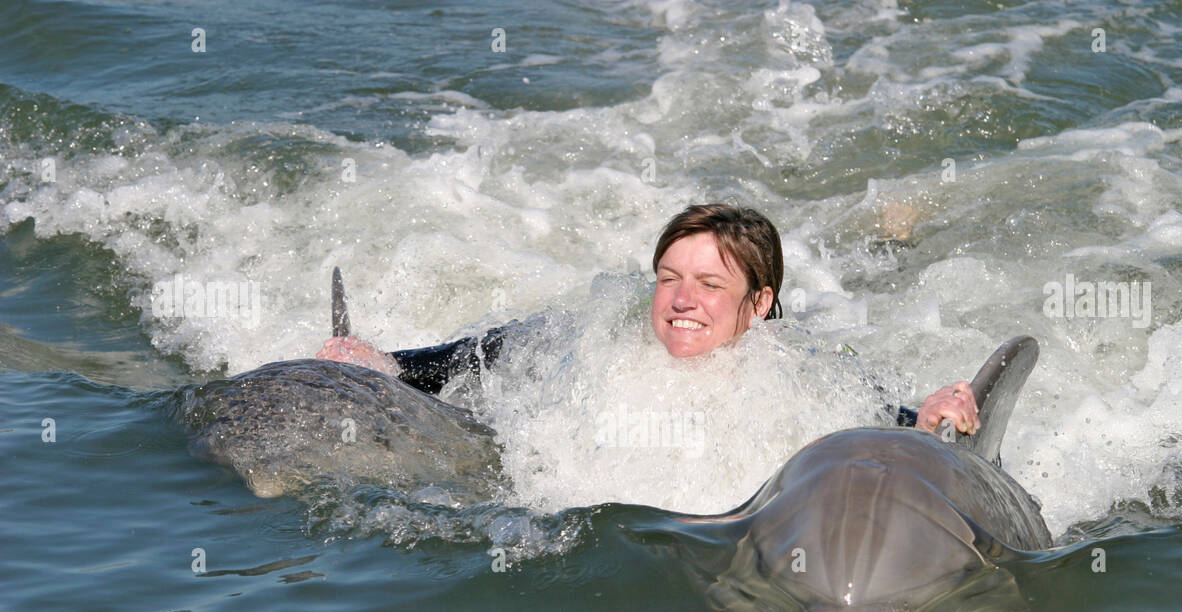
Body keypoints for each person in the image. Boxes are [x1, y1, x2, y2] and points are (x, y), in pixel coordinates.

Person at [316, 204, 980, 435]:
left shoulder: (792, 370)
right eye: (670, 279)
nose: (682, 301)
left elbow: (867, 416)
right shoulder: (607, 336)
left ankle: (894, 237)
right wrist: (390, 365)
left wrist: (926, 418)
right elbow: (491, 352)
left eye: (710, 285)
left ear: (759, 304)